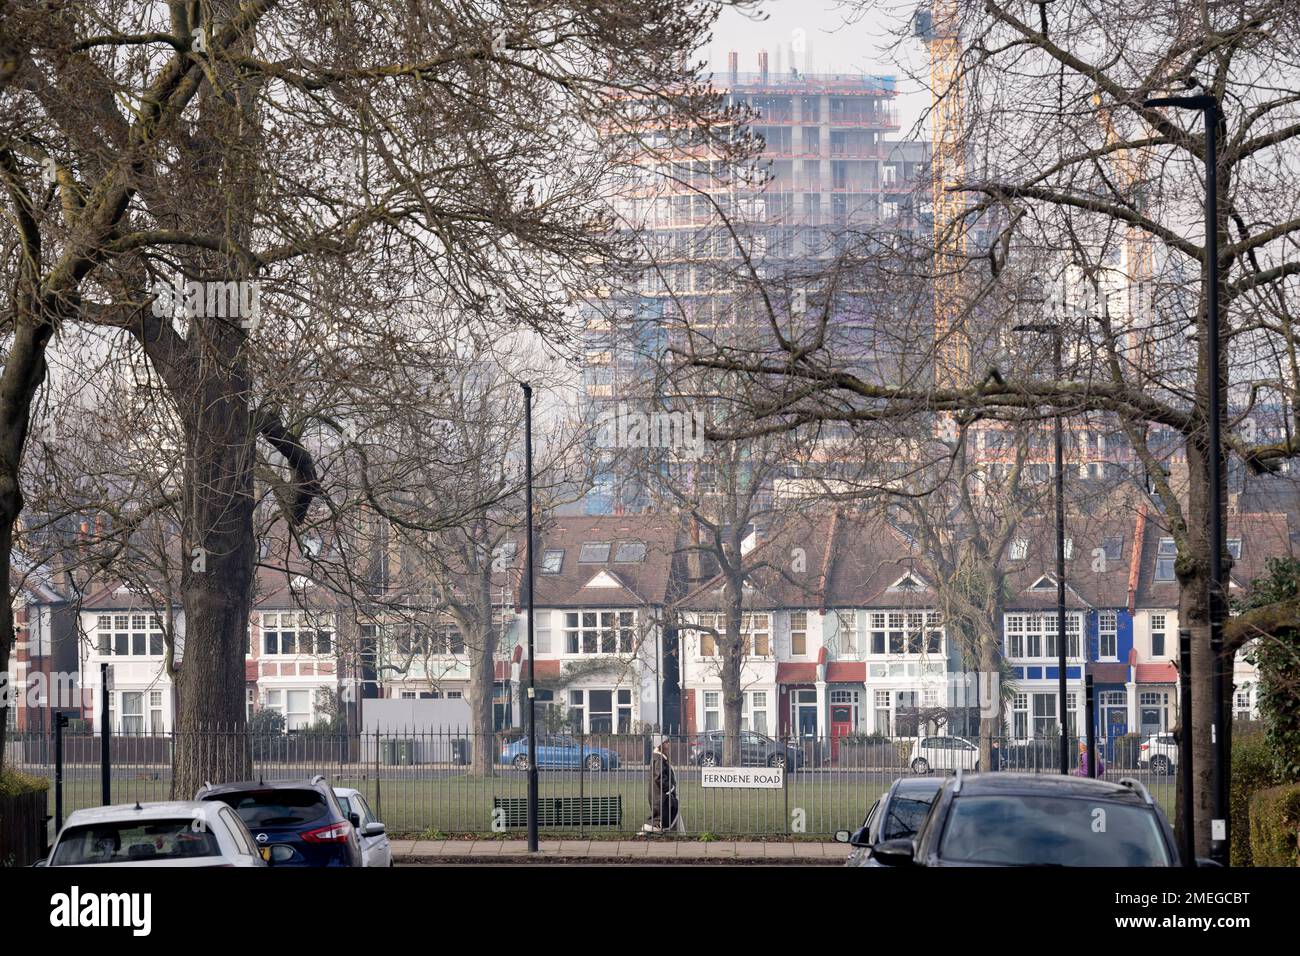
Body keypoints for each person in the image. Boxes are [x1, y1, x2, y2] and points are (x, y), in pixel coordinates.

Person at [643, 735, 685, 834]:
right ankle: (680, 837)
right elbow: (659, 777)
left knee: (673, 817)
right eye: (666, 742)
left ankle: (680, 836)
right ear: (660, 745)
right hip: (662, 795)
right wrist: (670, 788)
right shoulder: (658, 759)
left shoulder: (660, 757)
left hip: (663, 795)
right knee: (666, 817)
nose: (668, 744)